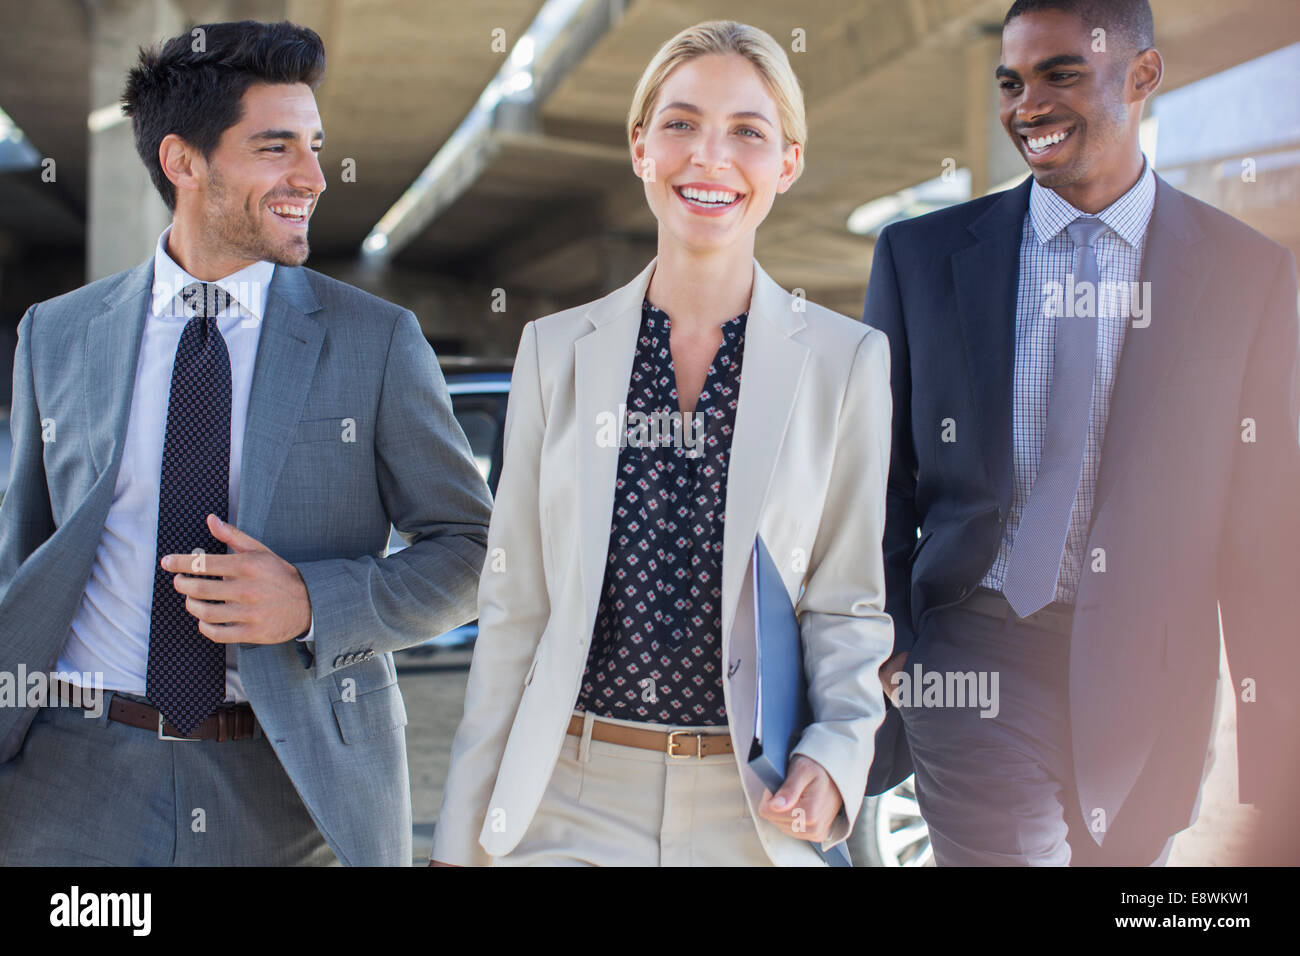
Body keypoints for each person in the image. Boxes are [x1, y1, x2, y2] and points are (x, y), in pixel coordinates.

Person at [0, 20, 493, 866]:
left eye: (314, 145)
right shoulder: (58, 333)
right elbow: (27, 551)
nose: (312, 176)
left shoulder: (375, 340)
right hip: (70, 780)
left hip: (290, 789)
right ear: (183, 163)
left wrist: (312, 602)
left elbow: (477, 553)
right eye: (276, 148)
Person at [431, 20, 893, 867]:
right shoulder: (552, 351)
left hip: (749, 809)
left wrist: (836, 757)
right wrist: (460, 841)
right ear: (641, 147)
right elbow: (514, 615)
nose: (710, 158)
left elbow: (845, 605)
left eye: (748, 133)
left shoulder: (847, 362)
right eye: (680, 124)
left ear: (786, 163)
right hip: (568, 795)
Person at [864, 0, 1300, 865]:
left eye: (1060, 73)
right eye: (1012, 83)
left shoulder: (1247, 277)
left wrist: (1276, 749)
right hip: (973, 653)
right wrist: (888, 638)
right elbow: (878, 475)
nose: (1028, 105)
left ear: (1143, 76)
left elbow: (1262, 529)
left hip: (1151, 684)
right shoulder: (920, 258)